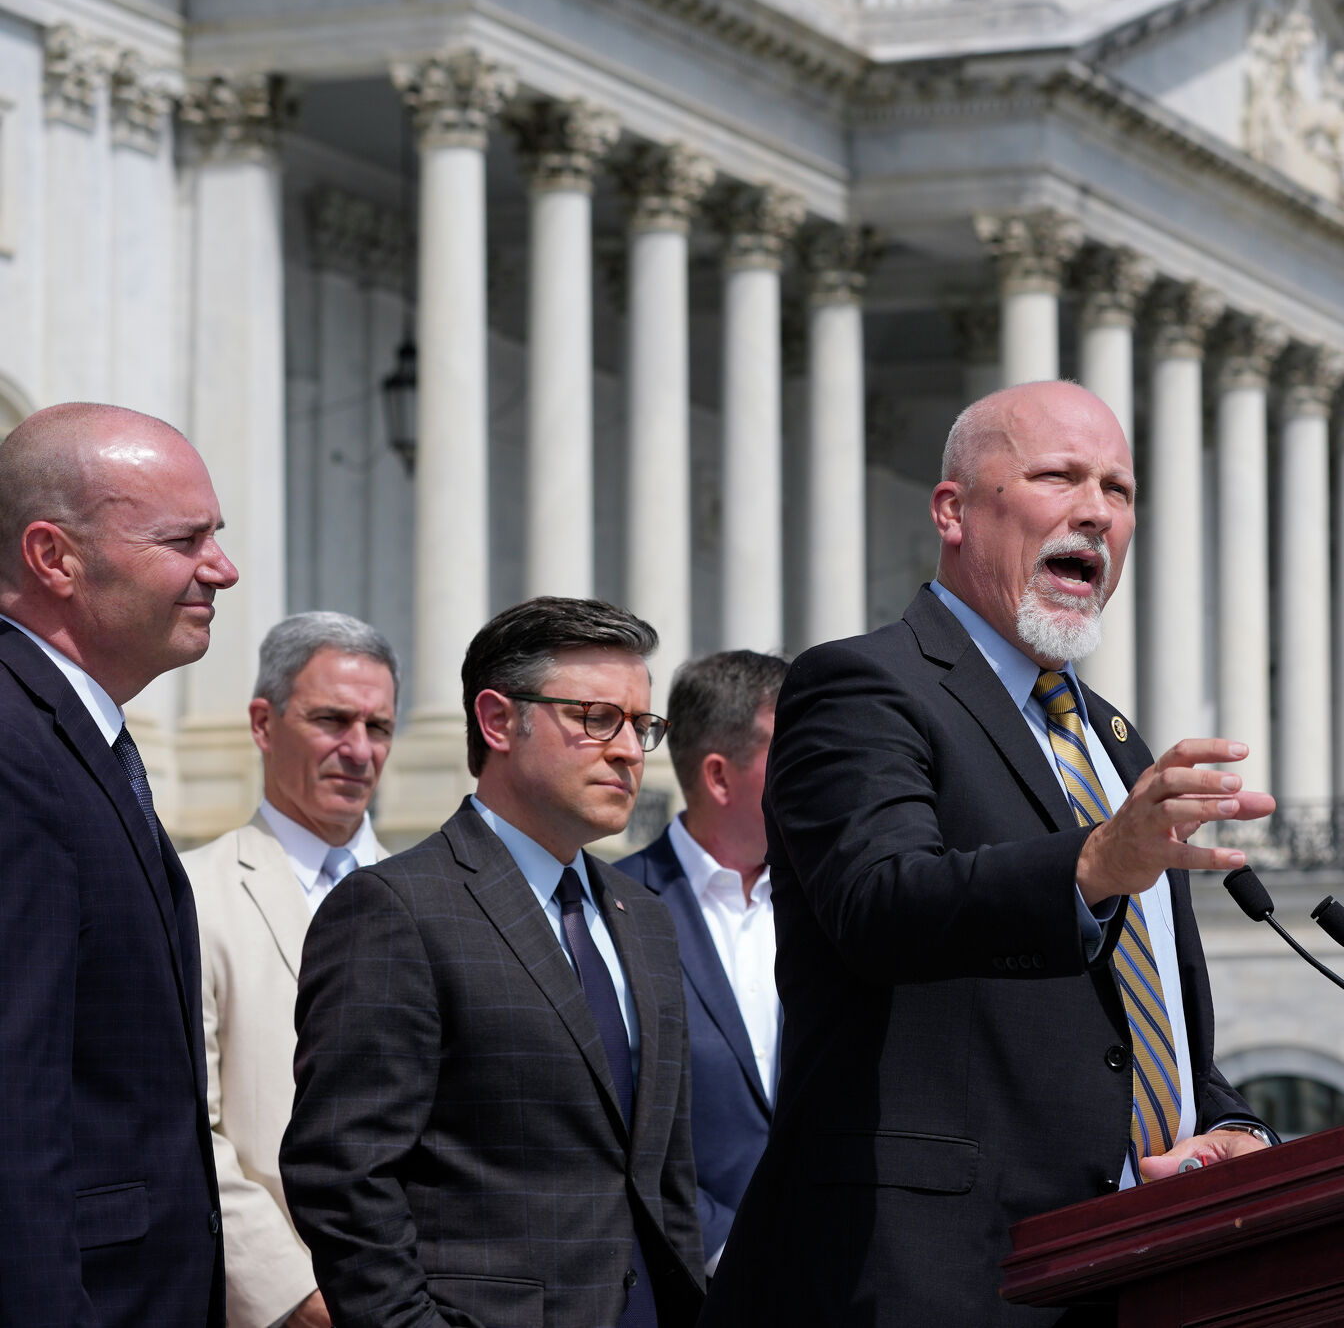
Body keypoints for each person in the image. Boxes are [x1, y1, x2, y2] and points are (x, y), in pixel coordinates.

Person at [703, 380, 1281, 1326]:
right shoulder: (863, 685)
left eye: (1119, 489)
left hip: (1123, 1273)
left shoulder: (1114, 742)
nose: (1096, 511)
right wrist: (1092, 865)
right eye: (1059, 477)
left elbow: (1143, 1022)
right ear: (953, 510)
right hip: (933, 1277)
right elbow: (879, 903)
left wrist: (1232, 1126)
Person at [281, 597, 707, 1327]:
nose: (630, 751)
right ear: (498, 720)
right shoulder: (397, 909)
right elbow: (344, 1175)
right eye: (596, 717)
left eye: (641, 725)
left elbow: (666, 1171)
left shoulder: (645, 919)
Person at [0, 402, 237, 1326]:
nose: (222, 568)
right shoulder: (14, 749)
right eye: (184, 540)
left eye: (216, 534)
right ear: (53, 557)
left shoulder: (67, 736)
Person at [185, 612, 400, 1328]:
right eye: (332, 719)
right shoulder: (192, 894)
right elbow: (188, 1125)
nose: (359, 749)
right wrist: (294, 1295)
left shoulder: (442, 899)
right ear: (263, 723)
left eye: (379, 727)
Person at [617, 649, 788, 1278]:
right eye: (794, 751)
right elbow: (612, 1122)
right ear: (719, 776)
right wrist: (727, 1250)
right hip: (686, 1285)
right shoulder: (611, 910)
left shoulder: (829, 904)